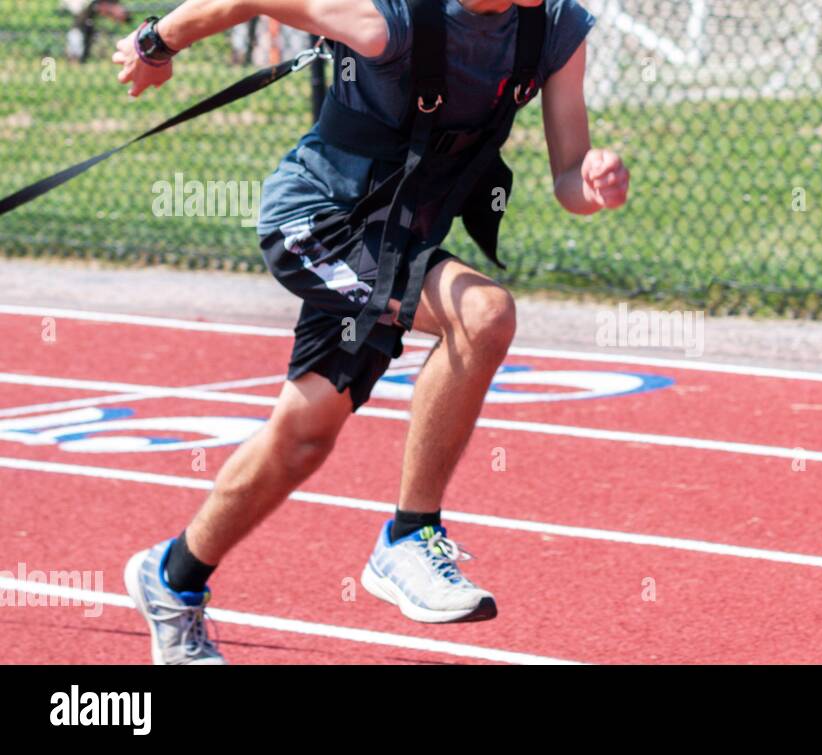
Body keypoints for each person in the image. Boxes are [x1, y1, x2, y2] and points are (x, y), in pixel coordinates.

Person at [111, 0, 628, 664]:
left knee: (301, 438)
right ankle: (409, 536)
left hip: (393, 242)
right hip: (316, 224)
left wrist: (591, 185)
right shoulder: (391, 16)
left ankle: (170, 579)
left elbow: (568, 171)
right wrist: (158, 42)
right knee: (484, 313)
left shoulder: (554, 26)